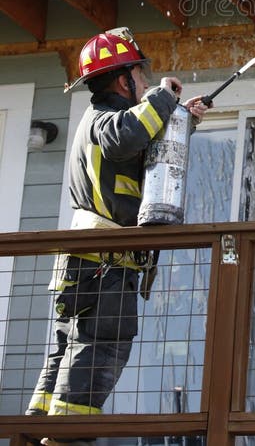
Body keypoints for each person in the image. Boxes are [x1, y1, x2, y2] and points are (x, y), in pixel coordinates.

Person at [26, 27, 208, 446]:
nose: (145, 82)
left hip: (90, 263)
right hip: (102, 264)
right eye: (141, 76)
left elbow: (144, 150)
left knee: (70, 347)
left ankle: (40, 425)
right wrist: (164, 98)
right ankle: (67, 437)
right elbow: (128, 135)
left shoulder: (104, 124)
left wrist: (183, 122)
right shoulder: (104, 121)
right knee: (100, 344)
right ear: (124, 80)